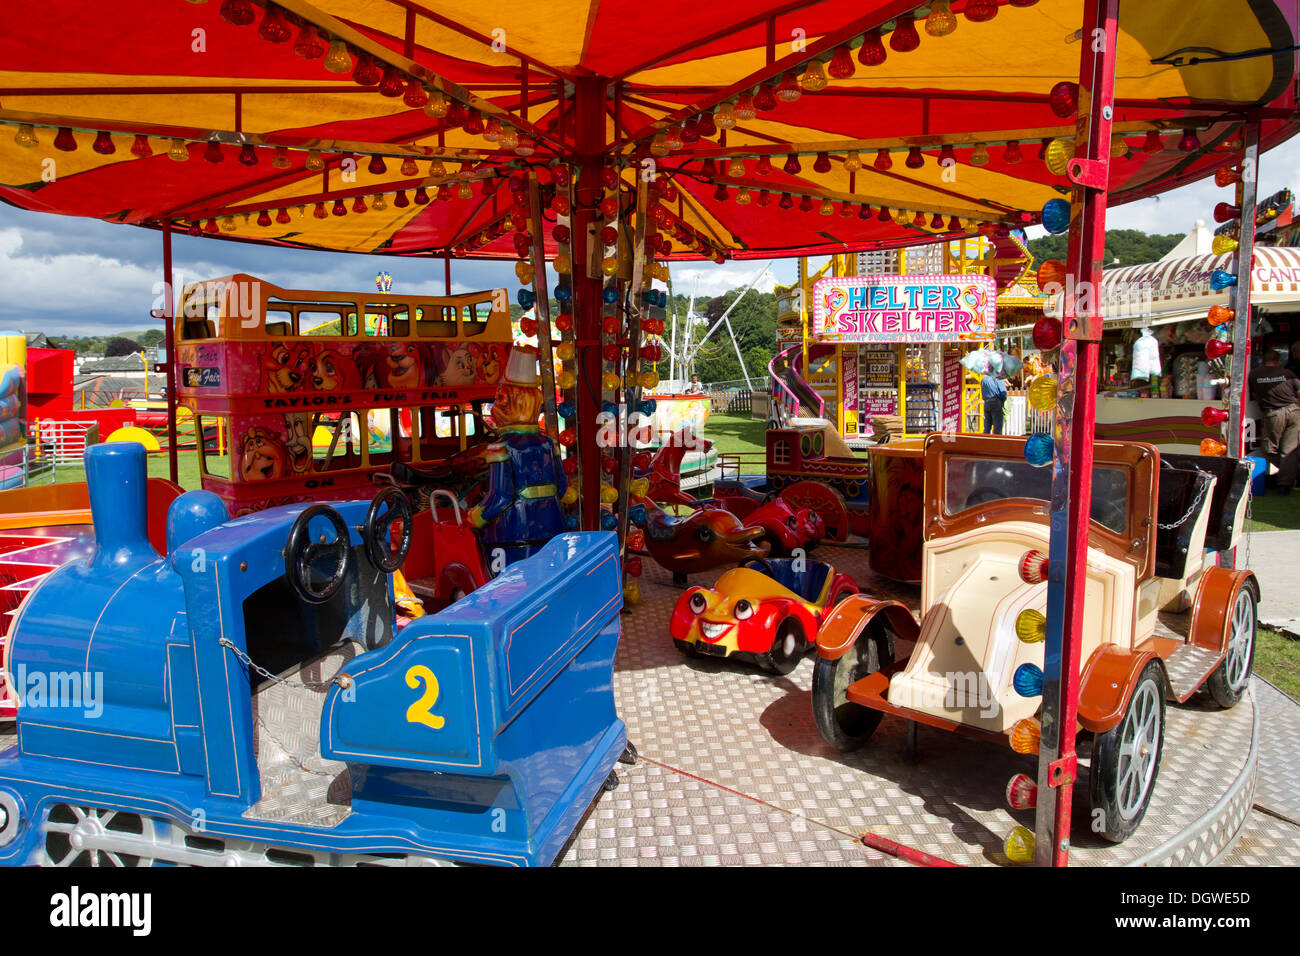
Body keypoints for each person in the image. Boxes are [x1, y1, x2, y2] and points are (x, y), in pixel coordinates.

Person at [1249, 348, 1300, 495]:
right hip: (1294, 411)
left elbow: (1254, 395)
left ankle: (1287, 475)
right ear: (1278, 361)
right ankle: (1285, 484)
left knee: (1269, 449)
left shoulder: (1254, 374)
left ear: (1263, 361)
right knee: (1289, 450)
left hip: (1273, 414)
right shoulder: (1287, 373)